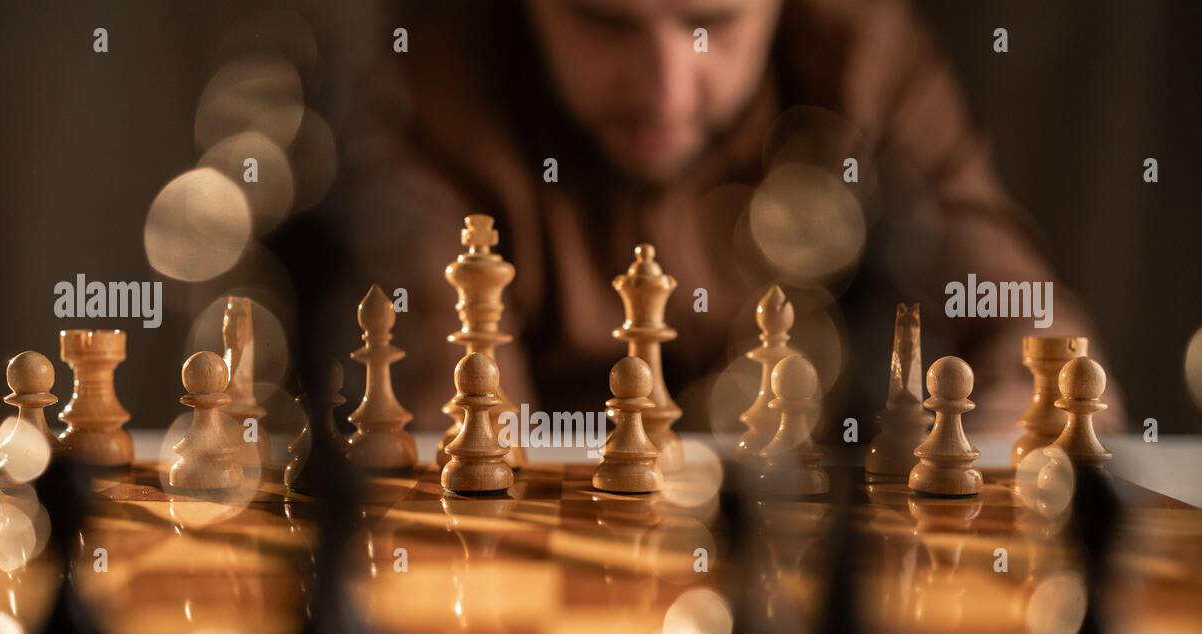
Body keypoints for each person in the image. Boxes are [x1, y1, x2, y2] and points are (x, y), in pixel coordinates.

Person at [335, 0, 1118, 434]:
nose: (666, 91)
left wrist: (1013, 432)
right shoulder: (434, 71)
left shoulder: (862, 54)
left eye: (714, 23)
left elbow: (1024, 316)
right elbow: (444, 388)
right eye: (606, 23)